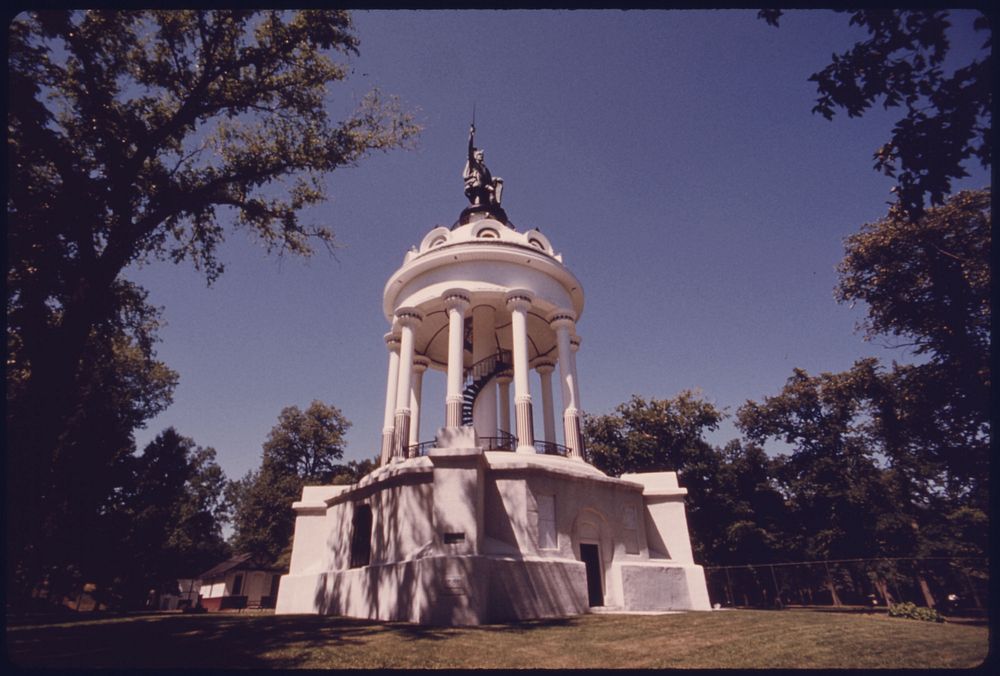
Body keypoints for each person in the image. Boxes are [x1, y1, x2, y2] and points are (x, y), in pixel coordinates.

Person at [463, 124, 503, 207]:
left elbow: (487, 179)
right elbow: (469, 149)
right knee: (479, 194)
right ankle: (478, 204)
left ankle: (494, 205)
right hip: (476, 184)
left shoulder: (484, 168)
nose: (481, 156)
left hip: (485, 185)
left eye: (482, 155)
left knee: (494, 188)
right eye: (479, 155)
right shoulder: (473, 164)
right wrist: (471, 135)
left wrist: (495, 179)